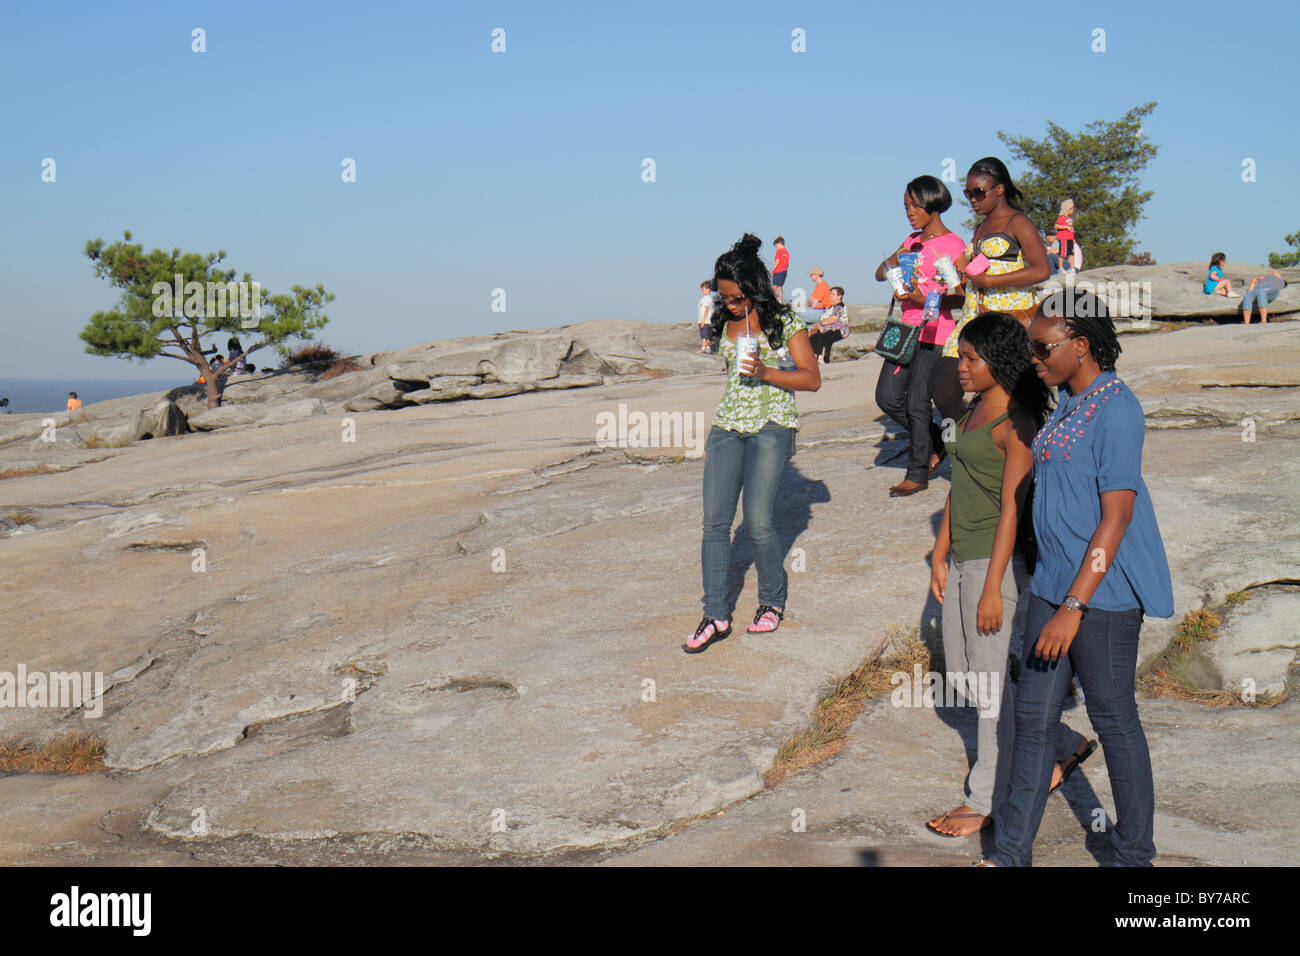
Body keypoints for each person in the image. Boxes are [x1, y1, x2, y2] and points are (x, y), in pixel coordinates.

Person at [982, 289, 1174, 868]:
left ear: (1081, 345)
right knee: (1032, 720)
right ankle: (1010, 854)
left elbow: (1116, 516)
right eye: (1031, 347)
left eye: (1043, 347)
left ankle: (1134, 854)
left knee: (1114, 721)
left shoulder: (1117, 408)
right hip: (1049, 586)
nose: (1034, 359)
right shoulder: (1067, 399)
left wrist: (1074, 607)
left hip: (1102, 599)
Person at [926, 312, 1051, 837]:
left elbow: (1012, 507)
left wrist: (996, 586)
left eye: (972, 358)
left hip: (994, 565)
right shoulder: (974, 411)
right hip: (961, 560)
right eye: (962, 356)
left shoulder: (1017, 422)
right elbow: (961, 481)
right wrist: (940, 550)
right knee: (962, 672)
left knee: (990, 683)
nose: (961, 367)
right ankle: (1059, 745)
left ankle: (985, 797)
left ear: (998, 362)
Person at [685, 234, 821, 653]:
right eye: (725, 298)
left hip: (771, 423)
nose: (732, 304)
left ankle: (771, 602)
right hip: (728, 425)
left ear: (755, 288)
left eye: (738, 297)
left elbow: (811, 379)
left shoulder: (785, 322)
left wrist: (766, 372)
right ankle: (715, 614)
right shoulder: (726, 323)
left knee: (758, 520)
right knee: (714, 523)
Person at [873, 174, 967, 497]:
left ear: (933, 204)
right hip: (905, 331)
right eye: (905, 206)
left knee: (916, 401)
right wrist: (899, 257)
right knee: (886, 396)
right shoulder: (911, 241)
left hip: (935, 331)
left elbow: (962, 295)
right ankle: (937, 439)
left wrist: (925, 297)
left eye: (914, 205)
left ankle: (917, 474)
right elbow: (878, 273)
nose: (909, 211)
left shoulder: (954, 245)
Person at [807, 286, 849, 363]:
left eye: (833, 294)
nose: (830, 296)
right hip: (828, 329)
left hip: (839, 330)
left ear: (839, 296)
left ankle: (821, 358)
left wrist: (822, 324)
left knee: (822, 339)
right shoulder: (831, 307)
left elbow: (834, 318)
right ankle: (819, 358)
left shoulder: (839, 306)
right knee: (812, 338)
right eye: (830, 294)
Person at [1055, 200, 1076, 275]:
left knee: (1071, 253)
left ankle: (1072, 268)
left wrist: (1073, 238)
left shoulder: (1070, 219)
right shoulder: (1061, 218)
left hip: (1070, 238)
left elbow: (1071, 229)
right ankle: (1060, 268)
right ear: (1068, 209)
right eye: (1072, 209)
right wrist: (1065, 227)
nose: (1073, 210)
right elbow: (1056, 225)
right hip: (1064, 238)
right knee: (1062, 253)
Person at [697, 280, 715, 353]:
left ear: (708, 289)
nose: (702, 291)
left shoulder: (708, 298)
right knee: (705, 335)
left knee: (705, 335)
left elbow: (706, 309)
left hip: (706, 320)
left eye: (703, 289)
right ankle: (707, 347)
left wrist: (703, 320)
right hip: (702, 320)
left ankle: (704, 348)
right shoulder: (704, 298)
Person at [772, 236, 790, 301]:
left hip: (778, 271)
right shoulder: (787, 253)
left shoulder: (779, 251)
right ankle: (780, 300)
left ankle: (778, 299)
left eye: (776, 246)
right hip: (784, 271)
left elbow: (777, 262)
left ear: (779, 243)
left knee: (774, 287)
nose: (776, 248)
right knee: (779, 286)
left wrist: (771, 271)